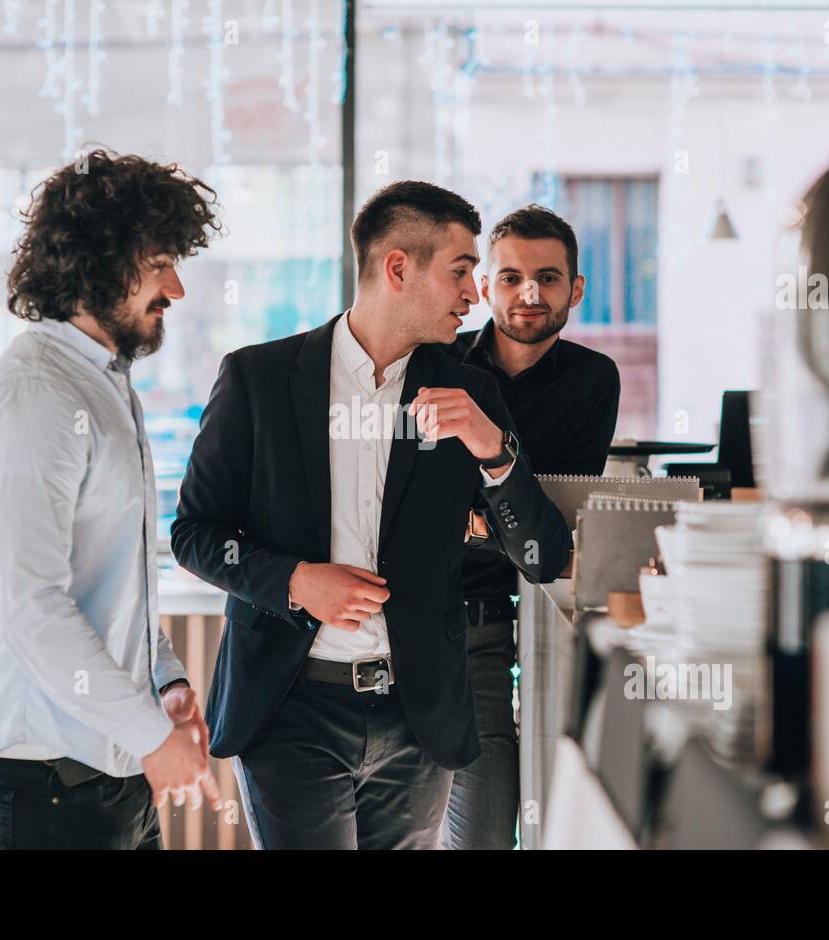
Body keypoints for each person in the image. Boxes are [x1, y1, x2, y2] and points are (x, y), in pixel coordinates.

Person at [170, 181, 573, 849]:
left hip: (418, 718)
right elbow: (194, 534)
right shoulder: (258, 380)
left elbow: (541, 556)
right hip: (290, 707)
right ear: (397, 268)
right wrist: (296, 581)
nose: (473, 295)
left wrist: (494, 453)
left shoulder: (471, 394)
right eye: (461, 271)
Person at [0, 149, 222, 850]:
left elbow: (109, 573)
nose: (176, 289)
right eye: (159, 260)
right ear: (98, 261)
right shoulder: (39, 394)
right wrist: (150, 736)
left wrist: (162, 680)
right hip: (49, 773)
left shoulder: (102, 381)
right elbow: (32, 608)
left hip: (107, 755)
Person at [440, 204, 621, 849]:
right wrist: (505, 521)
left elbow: (552, 531)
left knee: (490, 832)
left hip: (497, 619)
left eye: (548, 277)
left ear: (576, 288)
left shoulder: (591, 380)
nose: (529, 293)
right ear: (484, 285)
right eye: (511, 277)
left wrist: (475, 523)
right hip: (409, 612)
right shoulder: (438, 361)